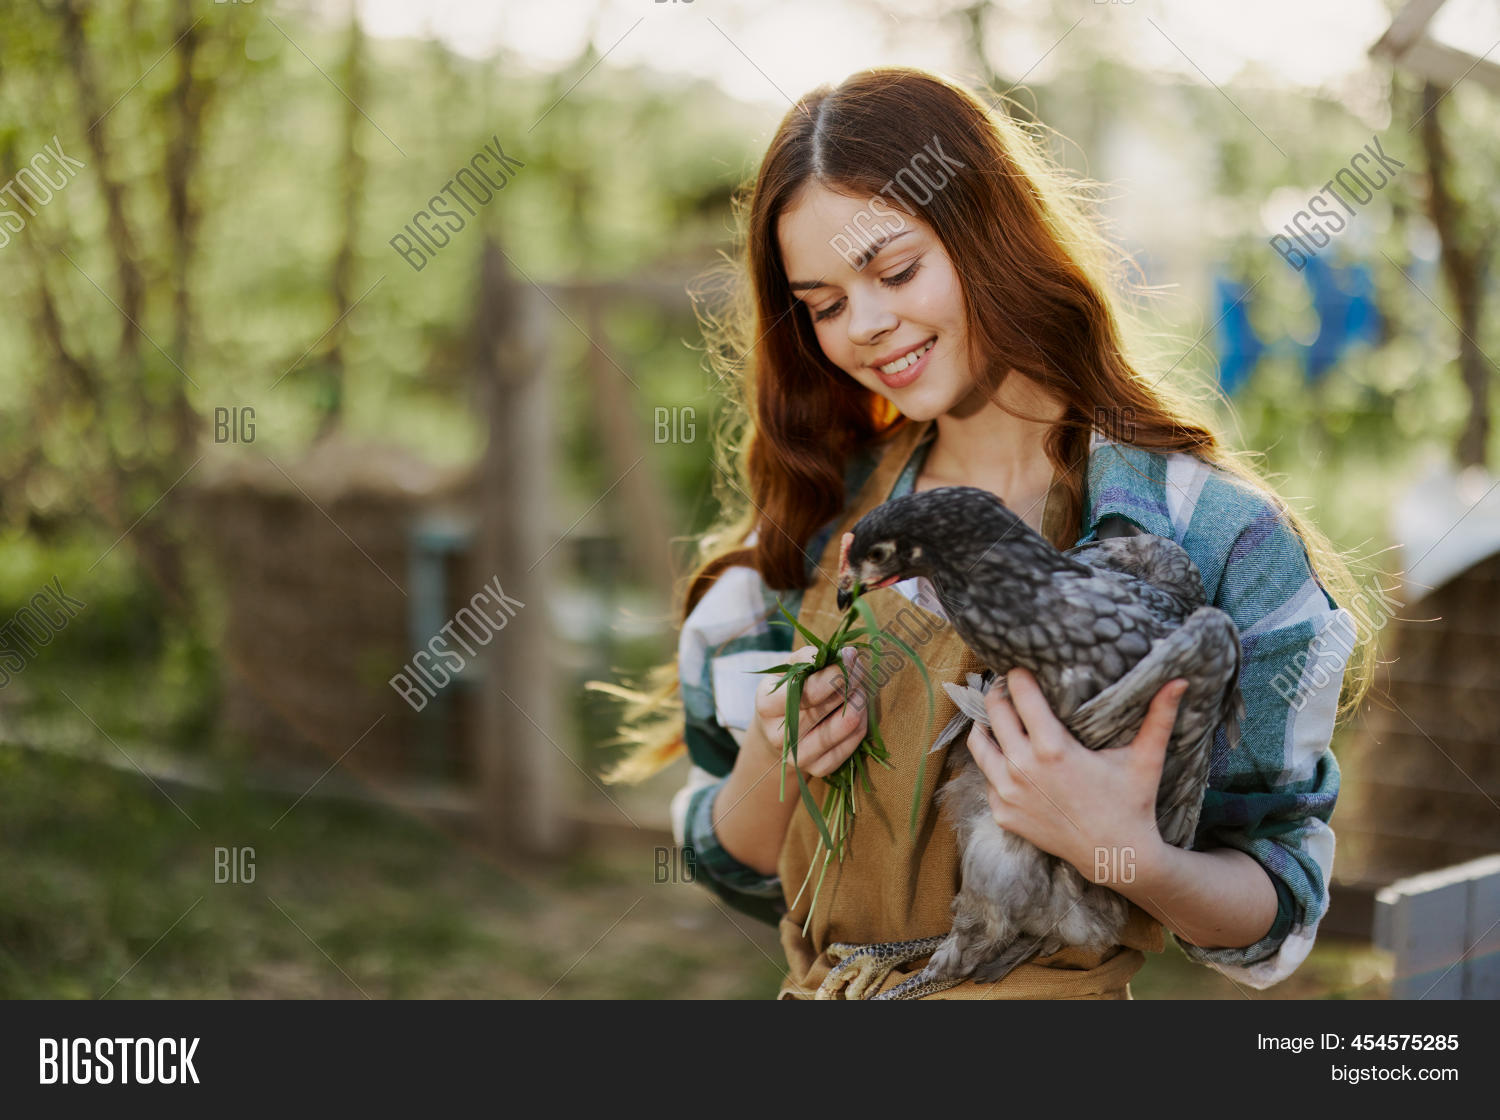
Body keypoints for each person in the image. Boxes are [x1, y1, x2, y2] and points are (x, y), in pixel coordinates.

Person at [604, 67, 1372, 999]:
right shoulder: (807, 540)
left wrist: (1128, 856)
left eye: (894, 271)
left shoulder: (1211, 534)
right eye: (826, 303)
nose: (870, 326)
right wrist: (773, 758)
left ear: (991, 234)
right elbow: (735, 863)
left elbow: (1277, 907)